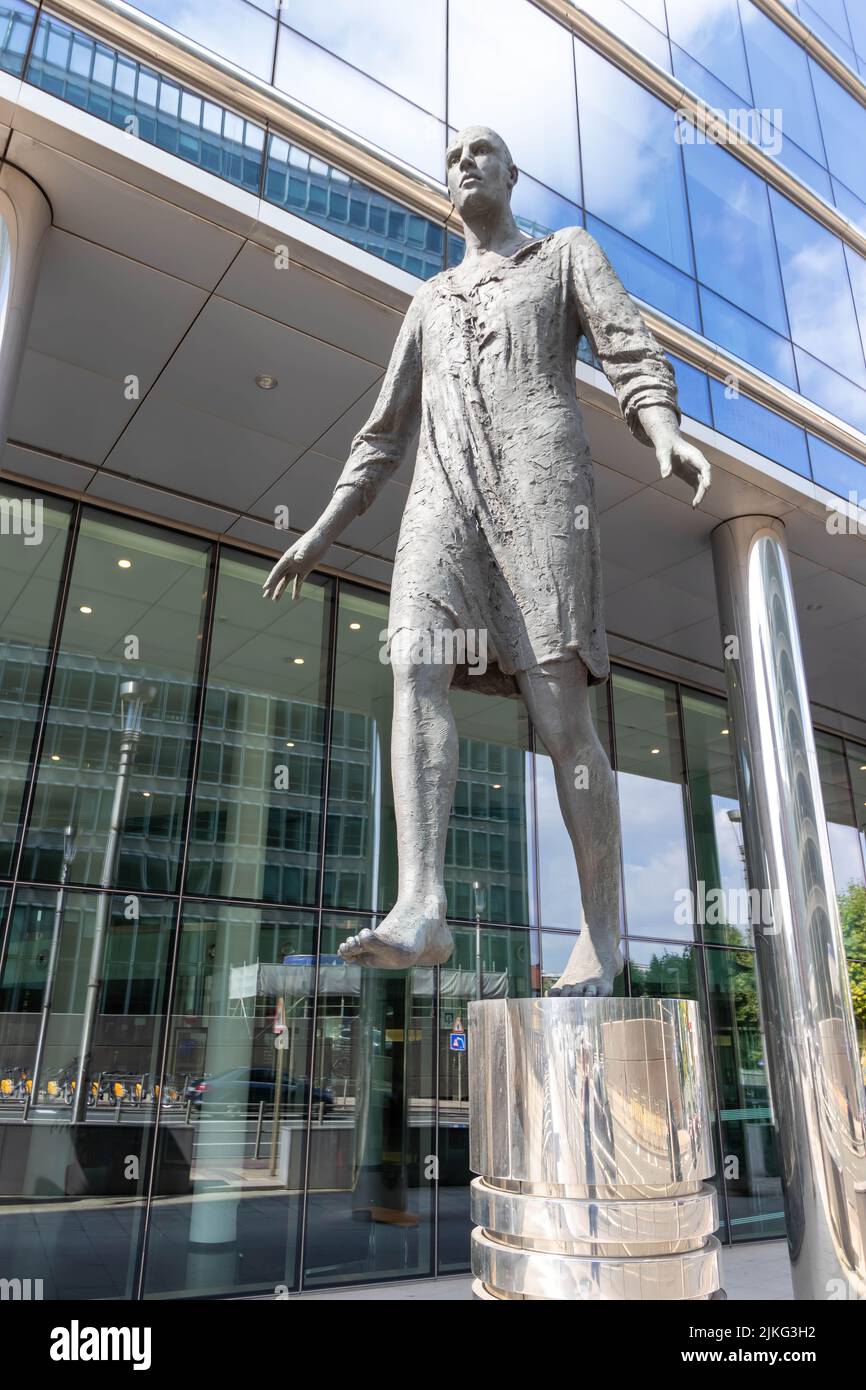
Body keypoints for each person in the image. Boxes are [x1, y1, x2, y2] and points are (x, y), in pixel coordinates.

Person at [263, 127, 711, 995]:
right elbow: (381, 435)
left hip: (543, 492)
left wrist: (661, 425)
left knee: (560, 719)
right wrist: (321, 530)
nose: (465, 164)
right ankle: (423, 904)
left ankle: (603, 933)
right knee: (412, 667)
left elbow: (627, 347)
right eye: (451, 158)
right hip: (442, 497)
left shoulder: (563, 254)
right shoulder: (428, 300)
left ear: (513, 173)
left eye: (482, 151)